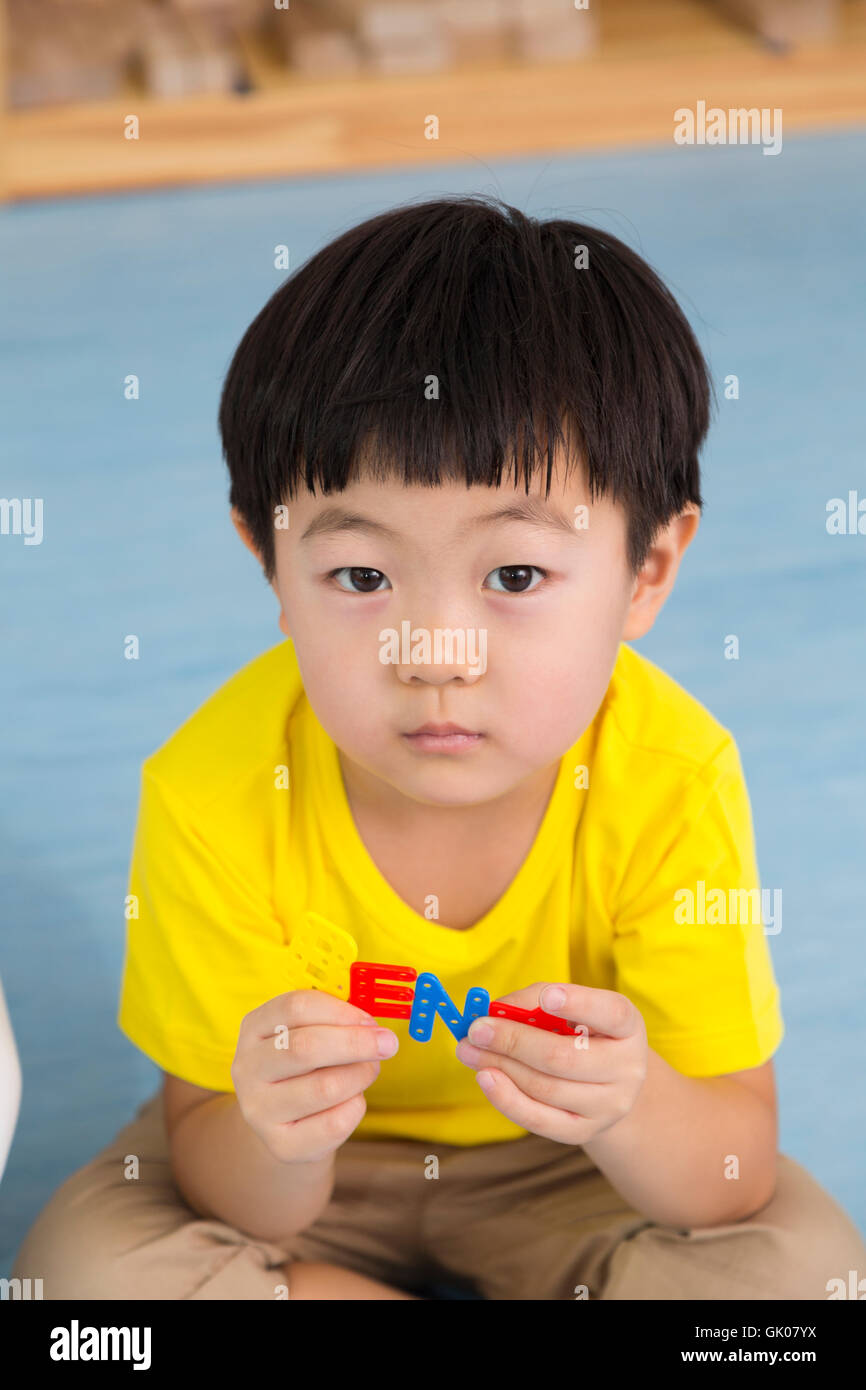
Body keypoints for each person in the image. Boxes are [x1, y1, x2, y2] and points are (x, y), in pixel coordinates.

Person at [12, 195, 866, 1300]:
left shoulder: (670, 776)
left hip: (575, 1170)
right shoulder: (211, 786)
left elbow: (724, 1175)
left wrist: (628, 1101)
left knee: (803, 1285)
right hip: (314, 1180)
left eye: (514, 576)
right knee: (83, 1285)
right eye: (359, 578)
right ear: (271, 564)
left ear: (647, 571)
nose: (432, 652)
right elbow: (223, 1181)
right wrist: (281, 1135)